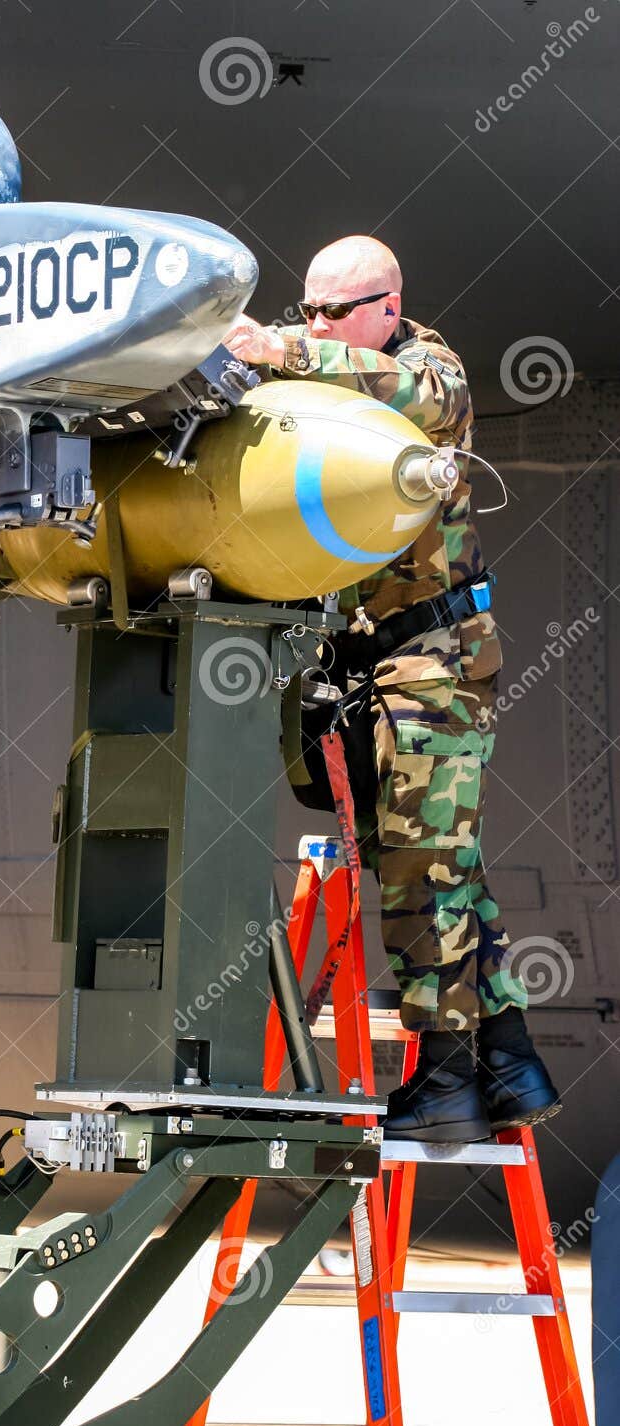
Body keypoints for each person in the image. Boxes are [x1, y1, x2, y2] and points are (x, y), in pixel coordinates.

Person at [224, 234, 558, 1143]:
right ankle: (509, 1060)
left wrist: (281, 350)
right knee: (441, 867)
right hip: (384, 668)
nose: (319, 326)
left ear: (385, 305)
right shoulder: (335, 387)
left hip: (435, 666)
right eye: (308, 313)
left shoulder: (425, 369)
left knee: (418, 875)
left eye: (335, 313)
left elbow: (419, 397)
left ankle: (445, 1081)